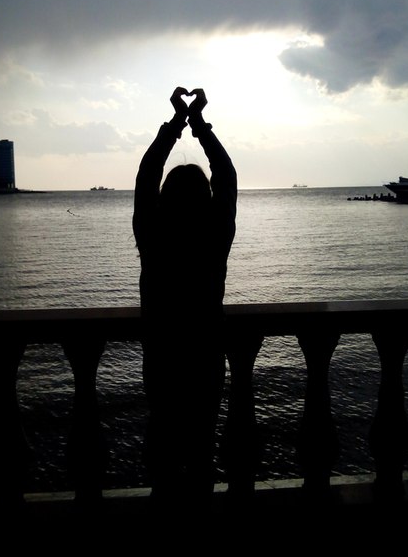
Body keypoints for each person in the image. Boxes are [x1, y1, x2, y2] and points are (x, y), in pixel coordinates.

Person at [132, 87, 237, 510]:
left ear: (164, 198)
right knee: (201, 450)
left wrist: (176, 122)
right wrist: (198, 124)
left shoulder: (153, 235)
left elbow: (146, 175)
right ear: (206, 199)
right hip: (206, 355)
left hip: (162, 356)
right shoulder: (215, 235)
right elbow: (226, 175)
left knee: (162, 443)